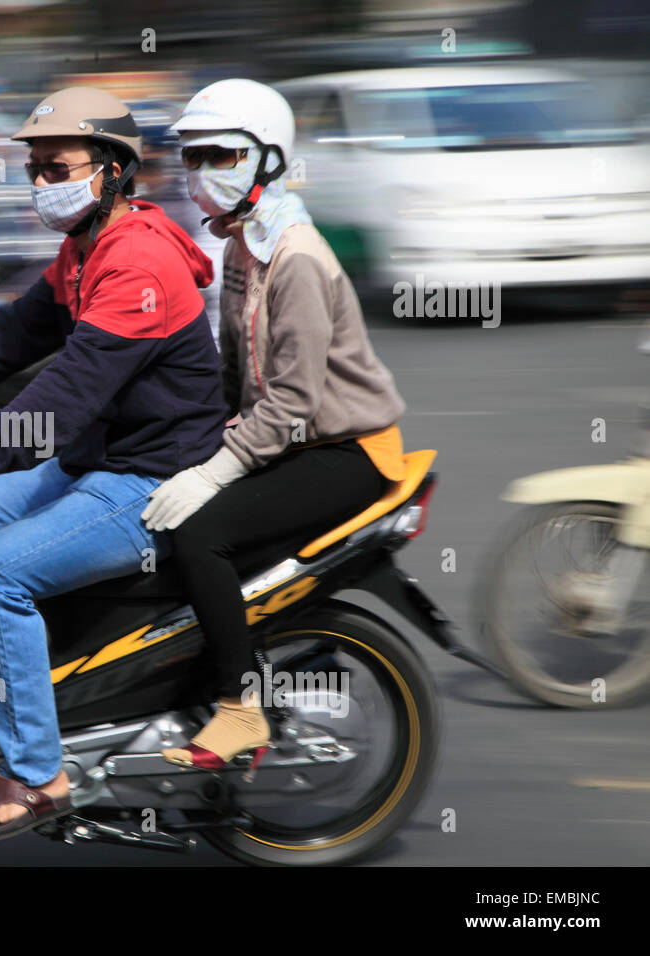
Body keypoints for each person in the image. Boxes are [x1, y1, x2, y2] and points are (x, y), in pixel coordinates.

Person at [0, 87, 230, 839]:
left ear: (112, 171)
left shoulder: (140, 265)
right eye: (32, 170)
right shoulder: (85, 250)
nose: (40, 184)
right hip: (99, 461)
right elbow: (6, 337)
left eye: (54, 167)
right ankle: (12, 686)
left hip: (151, 480)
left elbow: (64, 398)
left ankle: (37, 772)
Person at [141, 79, 409, 771]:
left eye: (219, 157)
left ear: (267, 161)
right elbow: (235, 374)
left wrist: (215, 469)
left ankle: (239, 707)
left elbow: (291, 402)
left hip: (346, 450)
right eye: (192, 158)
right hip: (286, 437)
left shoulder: (297, 259)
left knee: (200, 535)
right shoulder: (243, 247)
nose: (200, 174)